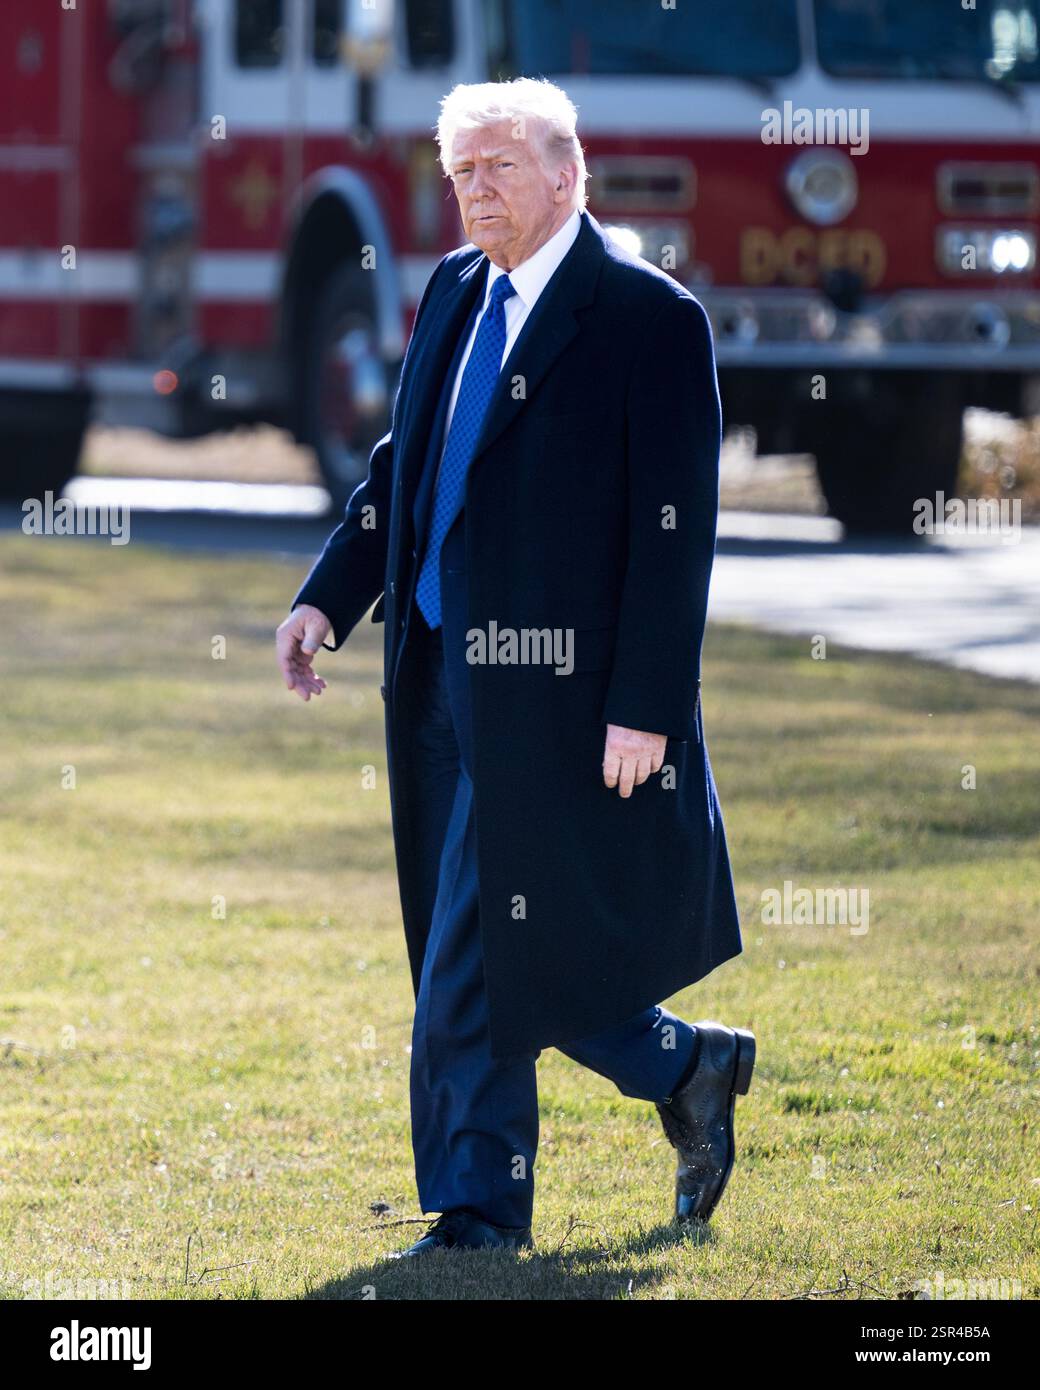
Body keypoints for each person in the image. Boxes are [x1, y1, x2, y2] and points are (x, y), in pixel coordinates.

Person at [276, 77, 754, 1258]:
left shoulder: (648, 318)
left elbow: (672, 530)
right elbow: (406, 468)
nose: (473, 190)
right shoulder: (449, 290)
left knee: (466, 957)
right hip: (436, 675)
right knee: (506, 947)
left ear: (564, 172)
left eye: (497, 165)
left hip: (561, 698)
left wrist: (644, 707)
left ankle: (480, 1212)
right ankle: (685, 1065)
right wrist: (329, 596)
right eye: (459, 171)